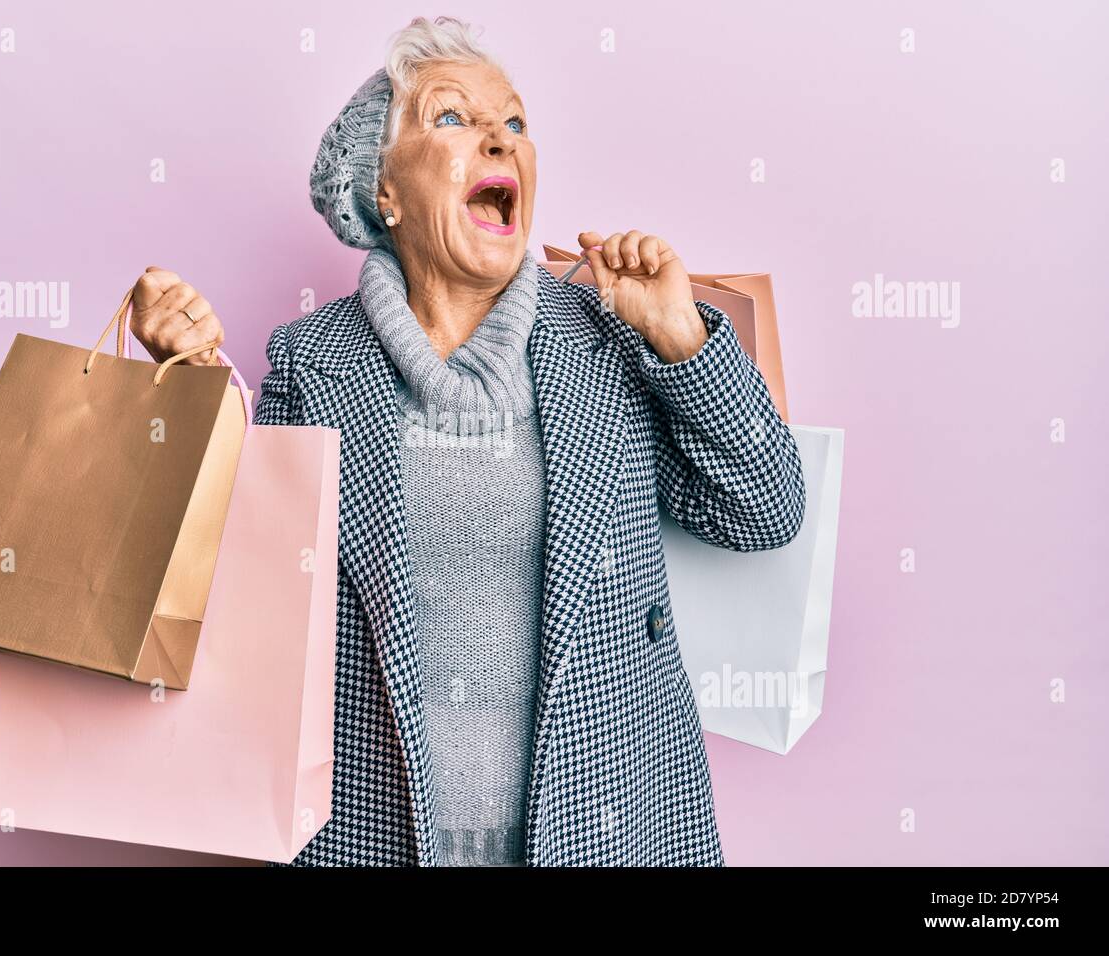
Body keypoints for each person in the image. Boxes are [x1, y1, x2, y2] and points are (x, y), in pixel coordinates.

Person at [131, 15, 805, 867]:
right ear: (384, 191)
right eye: (451, 117)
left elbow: (766, 510)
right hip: (371, 838)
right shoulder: (311, 360)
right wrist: (190, 389)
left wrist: (682, 338)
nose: (499, 138)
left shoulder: (611, 337)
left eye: (514, 122)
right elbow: (238, 594)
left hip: (613, 835)